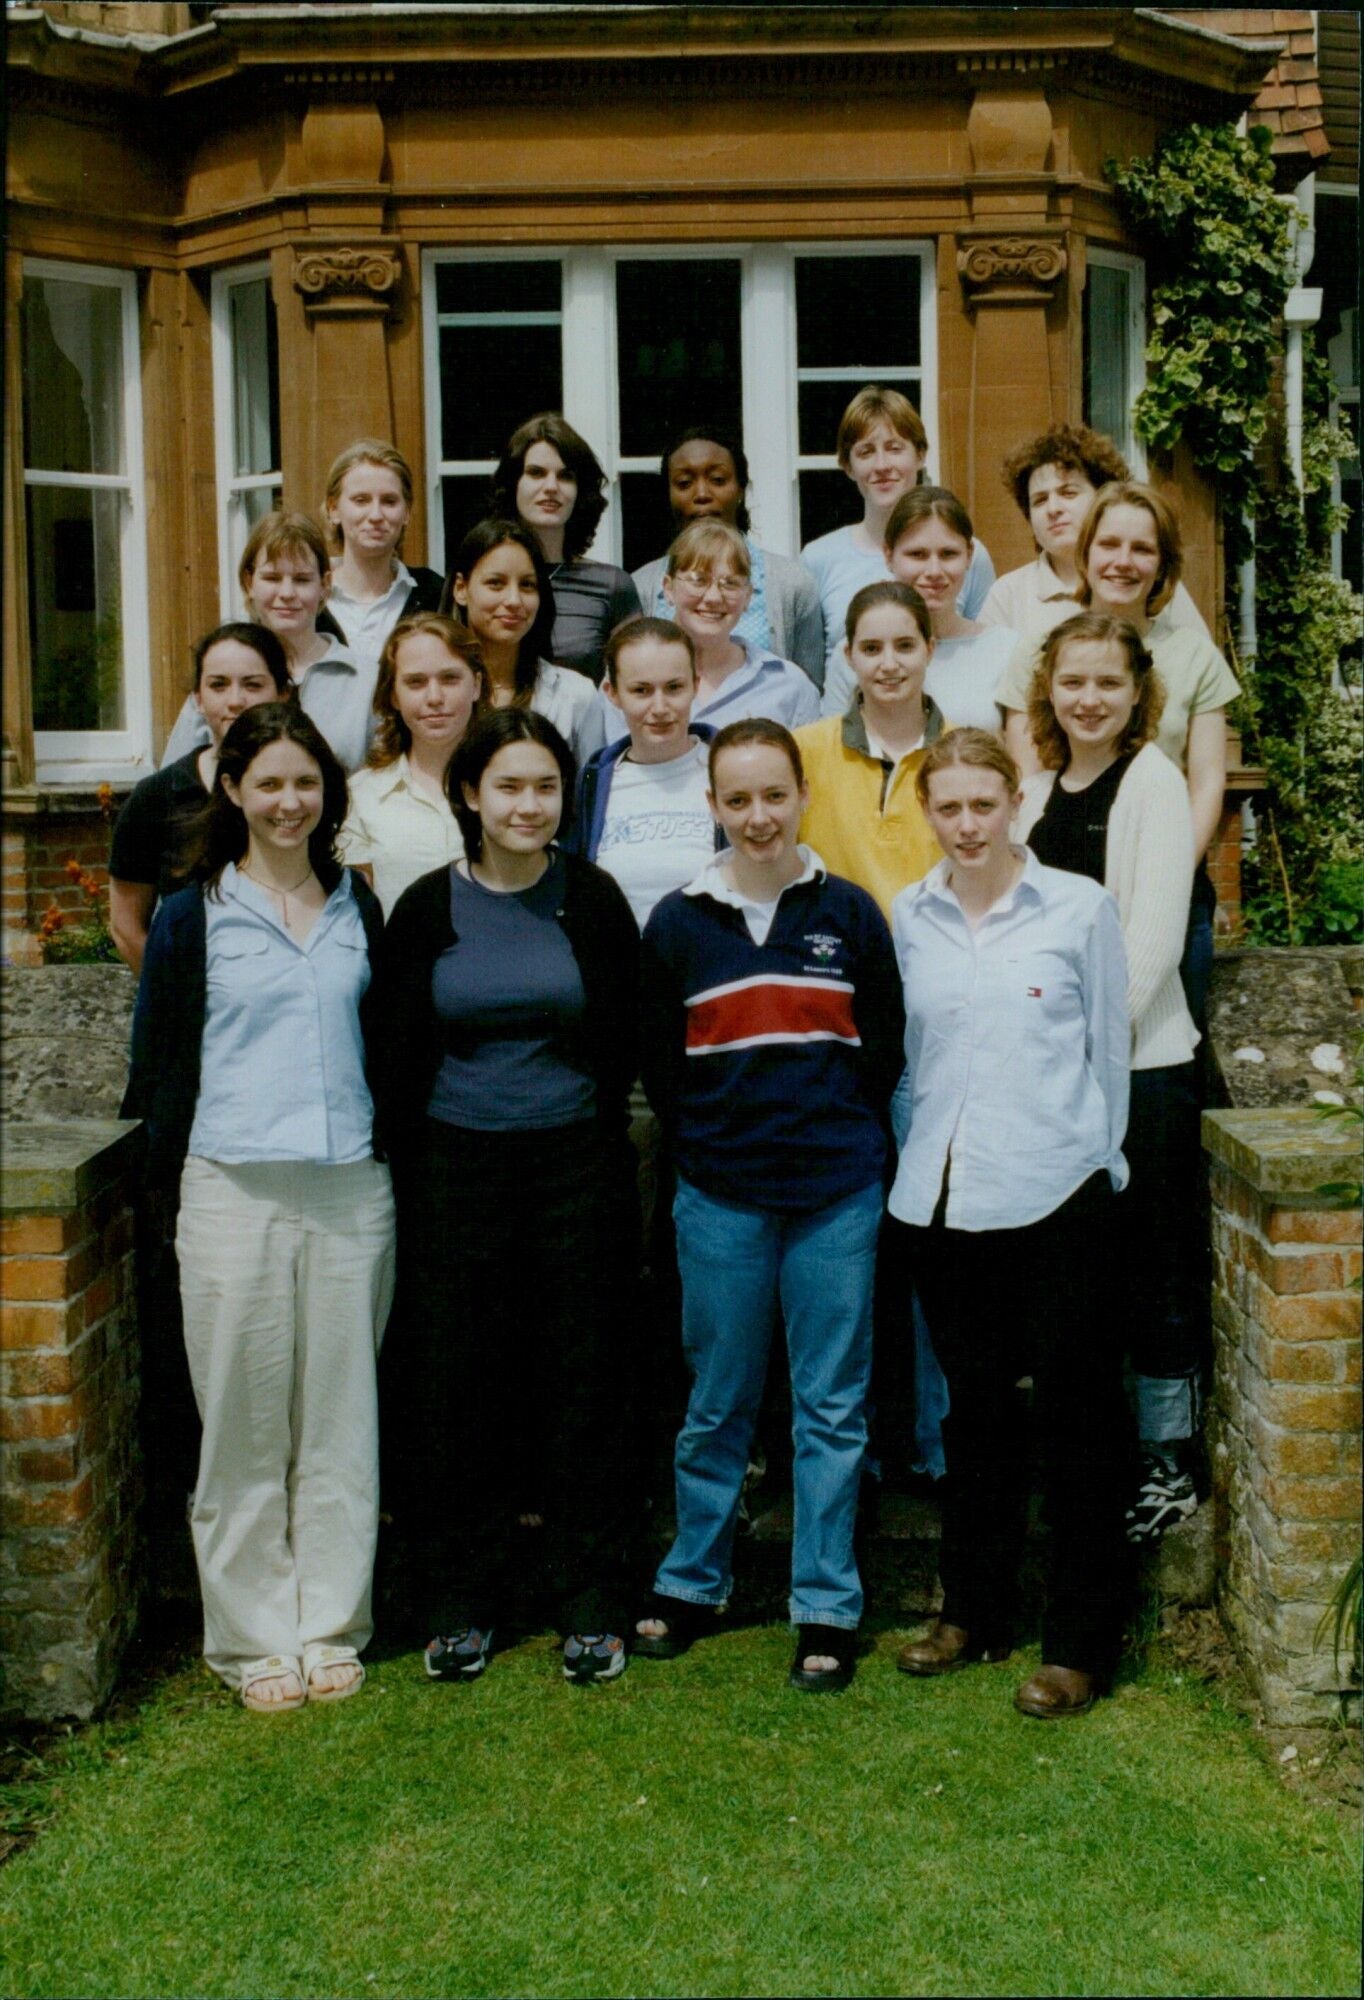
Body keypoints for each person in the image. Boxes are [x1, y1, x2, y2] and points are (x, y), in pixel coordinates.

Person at [122, 703, 395, 1713]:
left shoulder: (356, 905)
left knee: (339, 1417)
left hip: (349, 1186)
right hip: (231, 1184)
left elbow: (390, 1048)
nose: (289, 800)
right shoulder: (194, 915)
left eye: (306, 782)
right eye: (269, 782)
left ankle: (329, 1623)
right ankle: (249, 1638)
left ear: (327, 793)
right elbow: (156, 1062)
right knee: (240, 1422)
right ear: (232, 790)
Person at [370, 709, 643, 1687]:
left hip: (575, 1163)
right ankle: (459, 1600)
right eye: (509, 786)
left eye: (545, 786)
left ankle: (590, 1598)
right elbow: (392, 1050)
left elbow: (629, 1038)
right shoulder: (423, 909)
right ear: (470, 796)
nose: (528, 804)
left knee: (585, 1381)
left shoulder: (593, 898)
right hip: (454, 1169)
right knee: (457, 1383)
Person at [633, 719, 905, 1693]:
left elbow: (881, 1052)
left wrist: (833, 1137)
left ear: (799, 796)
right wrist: (717, 1144)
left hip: (835, 1194)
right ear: (711, 804)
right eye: (736, 798)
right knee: (716, 1404)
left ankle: (824, 1604)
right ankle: (692, 1578)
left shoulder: (851, 916)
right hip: (720, 1198)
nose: (757, 815)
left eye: (772, 795)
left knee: (831, 1406)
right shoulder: (676, 922)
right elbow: (661, 1064)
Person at [890, 728, 1131, 1719]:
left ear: (1014, 800)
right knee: (972, 1414)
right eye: (946, 807)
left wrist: (1093, 1161)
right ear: (928, 812)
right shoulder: (909, 914)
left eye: (980, 804)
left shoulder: (1076, 908)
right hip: (944, 1201)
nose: (964, 824)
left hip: (1056, 1191)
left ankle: (1078, 1642)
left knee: (1077, 1419)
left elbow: (1105, 1054)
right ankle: (973, 1610)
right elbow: (912, 1060)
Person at [1015, 613, 1203, 1540]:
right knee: (1078, 1280)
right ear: (1048, 687)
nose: (1088, 698)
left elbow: (1153, 946)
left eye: (1108, 683)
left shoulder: (1154, 781)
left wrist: (1077, 1058)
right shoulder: (1038, 786)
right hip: (1059, 1083)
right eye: (1072, 681)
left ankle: (1168, 1467)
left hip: (1143, 1071)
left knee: (1155, 1270)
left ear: (1138, 695)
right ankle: (1093, 1458)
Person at [996, 481, 1239, 1027]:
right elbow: (1027, 776)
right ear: (1085, 552)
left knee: (1159, 1046)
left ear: (1163, 564)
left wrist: (1168, 872)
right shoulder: (1038, 647)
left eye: (1142, 549)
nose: (1123, 562)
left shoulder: (1192, 654)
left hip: (1168, 886)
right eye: (1109, 545)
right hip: (1061, 879)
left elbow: (1206, 784)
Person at [110, 622, 291, 974]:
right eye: (218, 685)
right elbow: (127, 928)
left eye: (252, 684)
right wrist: (183, 997)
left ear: (282, 693)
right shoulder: (157, 798)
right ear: (197, 697)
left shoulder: (308, 791)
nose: (235, 700)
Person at [801, 386, 994, 696]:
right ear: (848, 466)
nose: (881, 466)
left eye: (894, 448)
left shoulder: (968, 555)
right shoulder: (819, 558)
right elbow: (810, 678)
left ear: (920, 454)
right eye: (866, 452)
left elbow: (981, 655)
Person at [162, 512, 375, 773]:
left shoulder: (365, 681)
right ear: (249, 582)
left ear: (325, 585)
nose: (286, 593)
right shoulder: (220, 676)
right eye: (272, 578)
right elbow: (174, 786)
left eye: (302, 579)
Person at [794, 582, 946, 921]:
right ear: (849, 656)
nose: (889, 664)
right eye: (872, 648)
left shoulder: (963, 752)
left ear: (930, 649)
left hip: (940, 952)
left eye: (905, 646)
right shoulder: (804, 751)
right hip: (835, 955)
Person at [631, 426, 825, 687]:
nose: (702, 494)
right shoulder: (641, 586)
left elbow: (809, 693)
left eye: (718, 480)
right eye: (684, 483)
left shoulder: (792, 583)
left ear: (741, 489)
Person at [978, 424, 1211, 641]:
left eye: (1068, 493)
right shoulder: (1008, 595)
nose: (1053, 509)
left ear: (1102, 496)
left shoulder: (1144, 577)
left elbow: (1198, 663)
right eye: (1039, 500)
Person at [570, 616, 719, 929]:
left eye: (674, 687)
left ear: (696, 683)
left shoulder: (727, 771)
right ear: (612, 693)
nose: (660, 706)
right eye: (641, 690)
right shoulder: (592, 785)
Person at [339, 613, 484, 917]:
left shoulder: (511, 787)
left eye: (449, 679)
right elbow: (359, 911)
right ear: (393, 694)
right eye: (415, 682)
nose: (435, 697)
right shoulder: (361, 795)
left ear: (476, 686)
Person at [441, 518, 606, 769]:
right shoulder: (433, 691)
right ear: (461, 589)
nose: (514, 600)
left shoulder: (575, 696)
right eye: (496, 583)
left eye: (527, 585)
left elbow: (591, 797)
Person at [488, 413, 640, 684]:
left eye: (565, 476)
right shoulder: (482, 580)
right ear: (514, 484)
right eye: (536, 473)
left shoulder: (612, 586)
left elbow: (636, 685)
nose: (551, 487)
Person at [646, 519, 818, 737]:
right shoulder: (632, 677)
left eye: (730, 584)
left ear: (747, 596)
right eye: (698, 580)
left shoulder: (788, 685)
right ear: (668, 589)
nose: (713, 597)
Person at [871, 488, 1016, 731]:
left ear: (969, 555)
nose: (934, 571)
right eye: (917, 554)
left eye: (948, 554)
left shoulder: (1006, 649)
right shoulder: (864, 653)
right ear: (889, 555)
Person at [321, 439, 445, 666]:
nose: (376, 515)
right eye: (361, 500)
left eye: (389, 501)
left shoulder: (435, 594)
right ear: (334, 509)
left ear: (406, 512)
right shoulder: (308, 596)